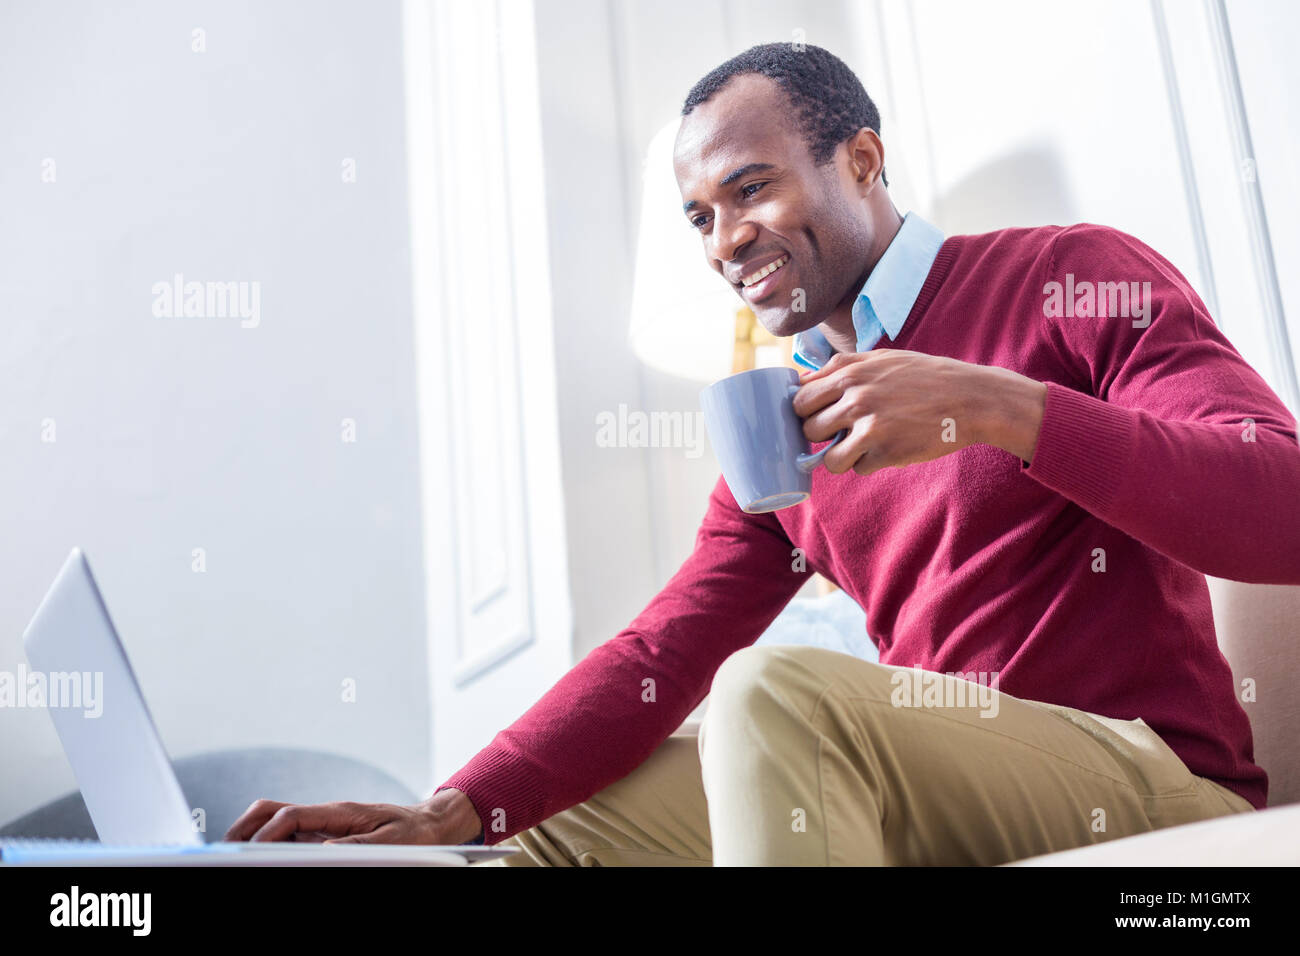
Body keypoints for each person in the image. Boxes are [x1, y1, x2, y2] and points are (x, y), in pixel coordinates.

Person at [225, 43, 1300, 865]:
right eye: (699, 215)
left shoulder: (1067, 275)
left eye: (749, 189)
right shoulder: (785, 425)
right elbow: (660, 651)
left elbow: (1280, 506)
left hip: (1151, 780)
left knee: (772, 691)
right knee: (541, 835)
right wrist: (450, 806)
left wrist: (1000, 408)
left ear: (862, 159)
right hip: (943, 771)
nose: (724, 240)